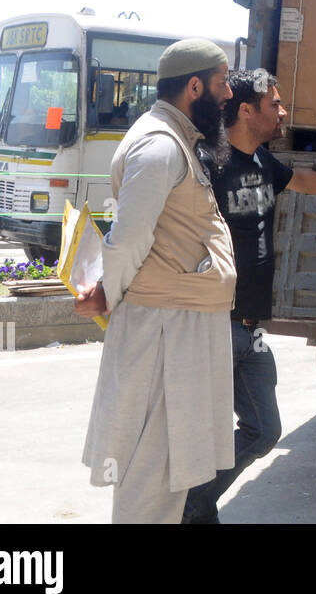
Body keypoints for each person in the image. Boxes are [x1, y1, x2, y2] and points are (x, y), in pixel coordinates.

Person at [182, 69, 316, 523]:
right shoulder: (207, 162)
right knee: (201, 435)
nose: (283, 112)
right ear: (245, 110)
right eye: (274, 104)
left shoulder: (262, 162)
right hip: (213, 321)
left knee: (263, 430)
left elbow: (301, 181)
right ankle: (191, 510)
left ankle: (194, 504)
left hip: (251, 327)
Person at [75, 38, 238, 523]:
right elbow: (128, 237)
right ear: (195, 87)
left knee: (170, 472)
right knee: (152, 473)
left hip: (176, 326)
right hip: (163, 331)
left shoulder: (175, 139)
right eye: (223, 82)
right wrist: (109, 293)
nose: (229, 94)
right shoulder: (159, 144)